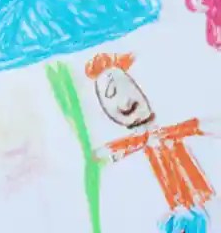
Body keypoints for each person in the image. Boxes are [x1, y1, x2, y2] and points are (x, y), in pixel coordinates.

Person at [88, 52, 218, 233]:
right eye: (110, 95)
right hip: (178, 209)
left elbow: (200, 126)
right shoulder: (138, 143)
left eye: (126, 86)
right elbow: (100, 155)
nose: (123, 100)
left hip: (194, 204)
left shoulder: (168, 132)